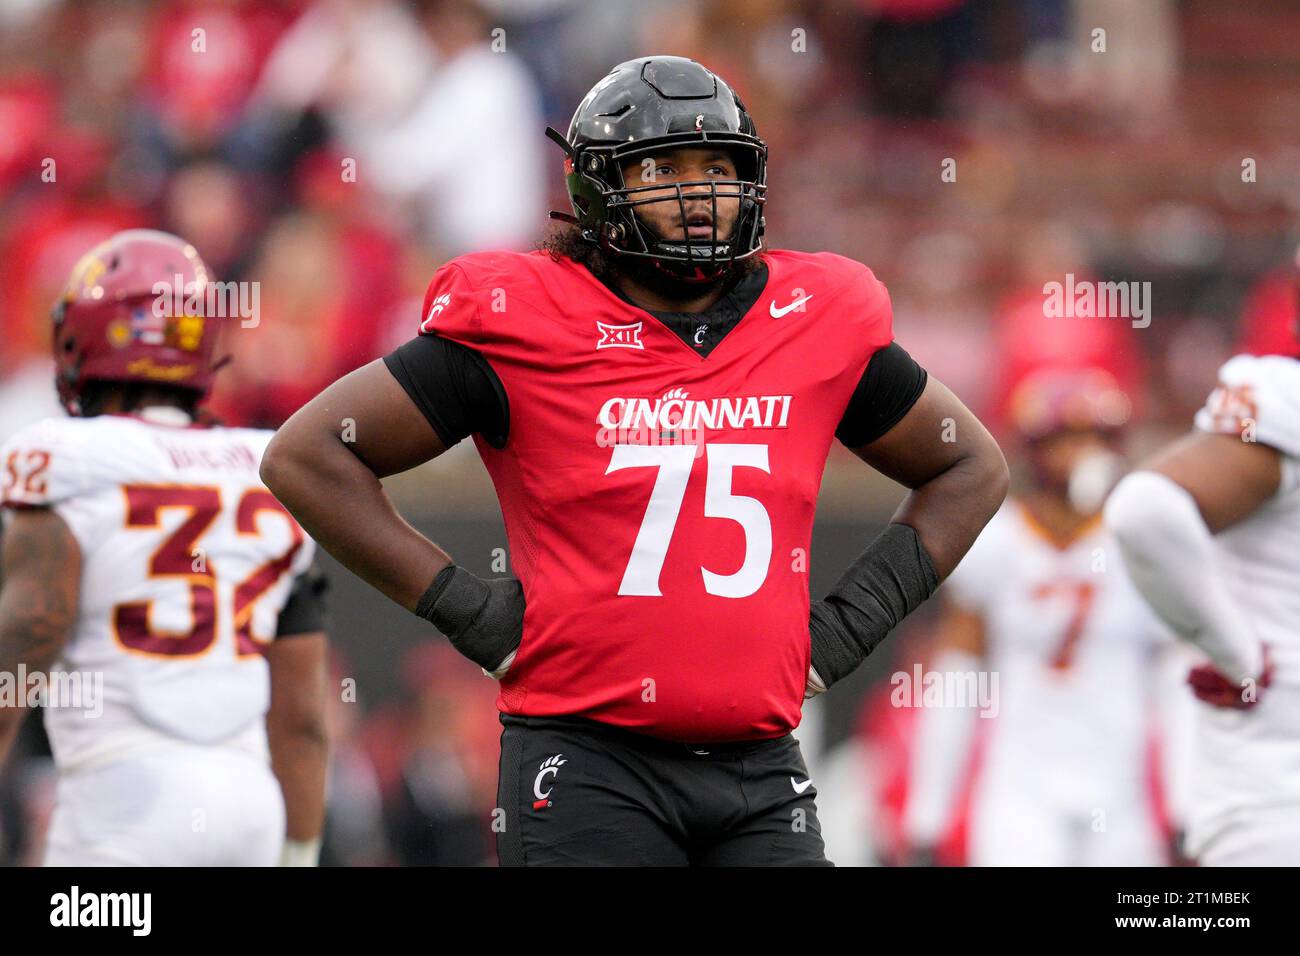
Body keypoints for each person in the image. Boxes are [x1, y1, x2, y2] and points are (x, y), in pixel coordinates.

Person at [261, 56, 1008, 866]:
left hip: (760, 765)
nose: (697, 194)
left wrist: (838, 634)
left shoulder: (813, 317)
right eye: (662, 169)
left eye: (716, 167)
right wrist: (468, 612)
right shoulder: (527, 319)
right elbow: (309, 455)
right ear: (595, 190)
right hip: (585, 761)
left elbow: (968, 466)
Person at [0, 230, 328, 866]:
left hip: (124, 803)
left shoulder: (63, 458)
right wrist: (299, 852)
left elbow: (14, 661)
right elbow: (302, 718)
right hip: (249, 806)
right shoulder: (271, 465)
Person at [901, 368, 1188, 866]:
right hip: (1021, 791)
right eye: (1065, 440)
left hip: (1120, 795)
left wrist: (1187, 803)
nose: (1081, 455)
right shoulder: (996, 543)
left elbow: (1177, 679)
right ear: (1033, 449)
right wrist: (928, 814)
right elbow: (958, 682)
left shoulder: (1140, 541)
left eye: (1095, 438)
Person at [1105, 252, 1300, 866]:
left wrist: (1233, 651)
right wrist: (1235, 652)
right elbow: (1148, 510)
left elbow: (1144, 512)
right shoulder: (1282, 403)